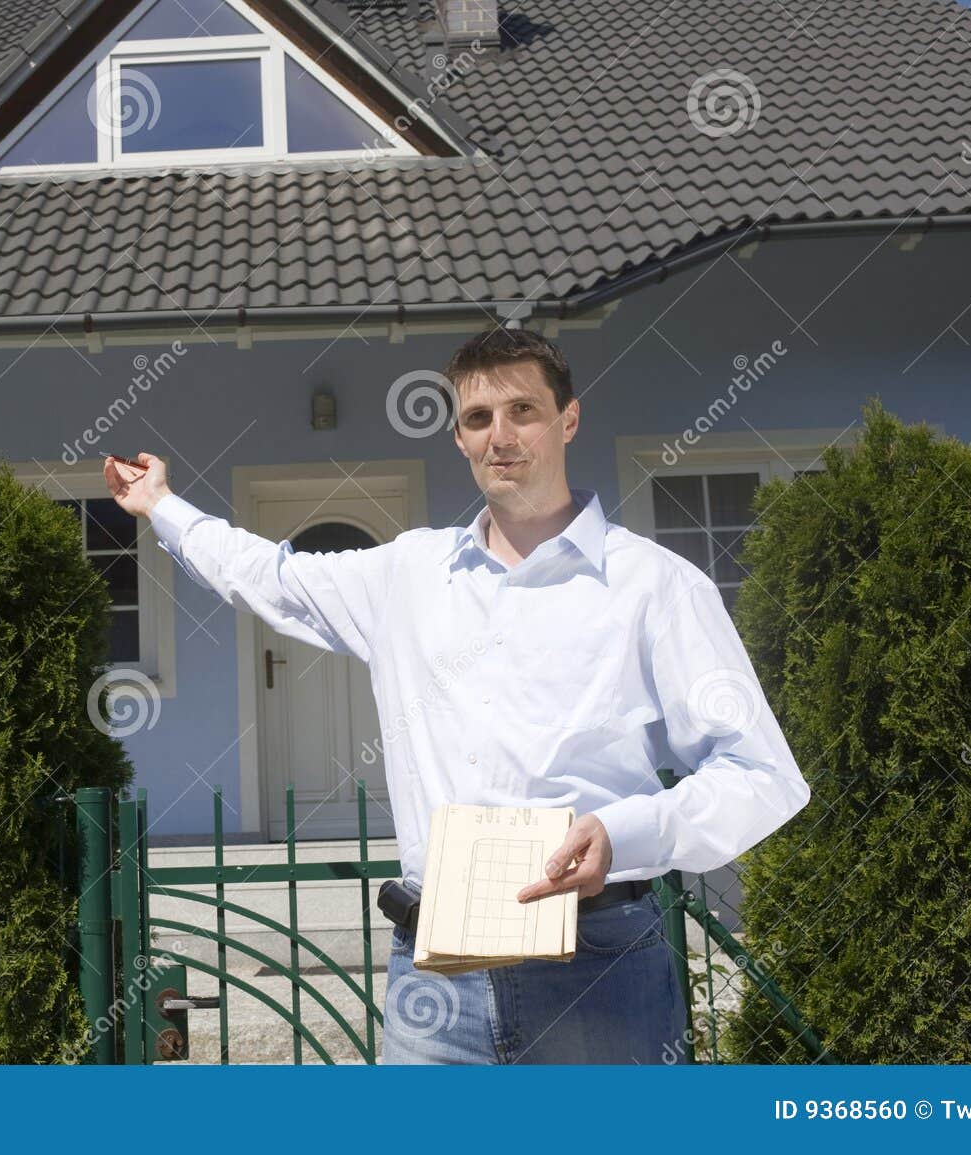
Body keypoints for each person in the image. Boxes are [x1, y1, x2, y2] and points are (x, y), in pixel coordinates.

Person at [101, 325, 811, 1064]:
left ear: (569, 418)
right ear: (459, 437)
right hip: (434, 978)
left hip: (597, 967)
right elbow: (270, 577)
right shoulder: (408, 575)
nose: (500, 436)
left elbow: (762, 775)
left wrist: (624, 832)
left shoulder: (657, 587)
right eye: (478, 419)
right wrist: (161, 506)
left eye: (523, 411)